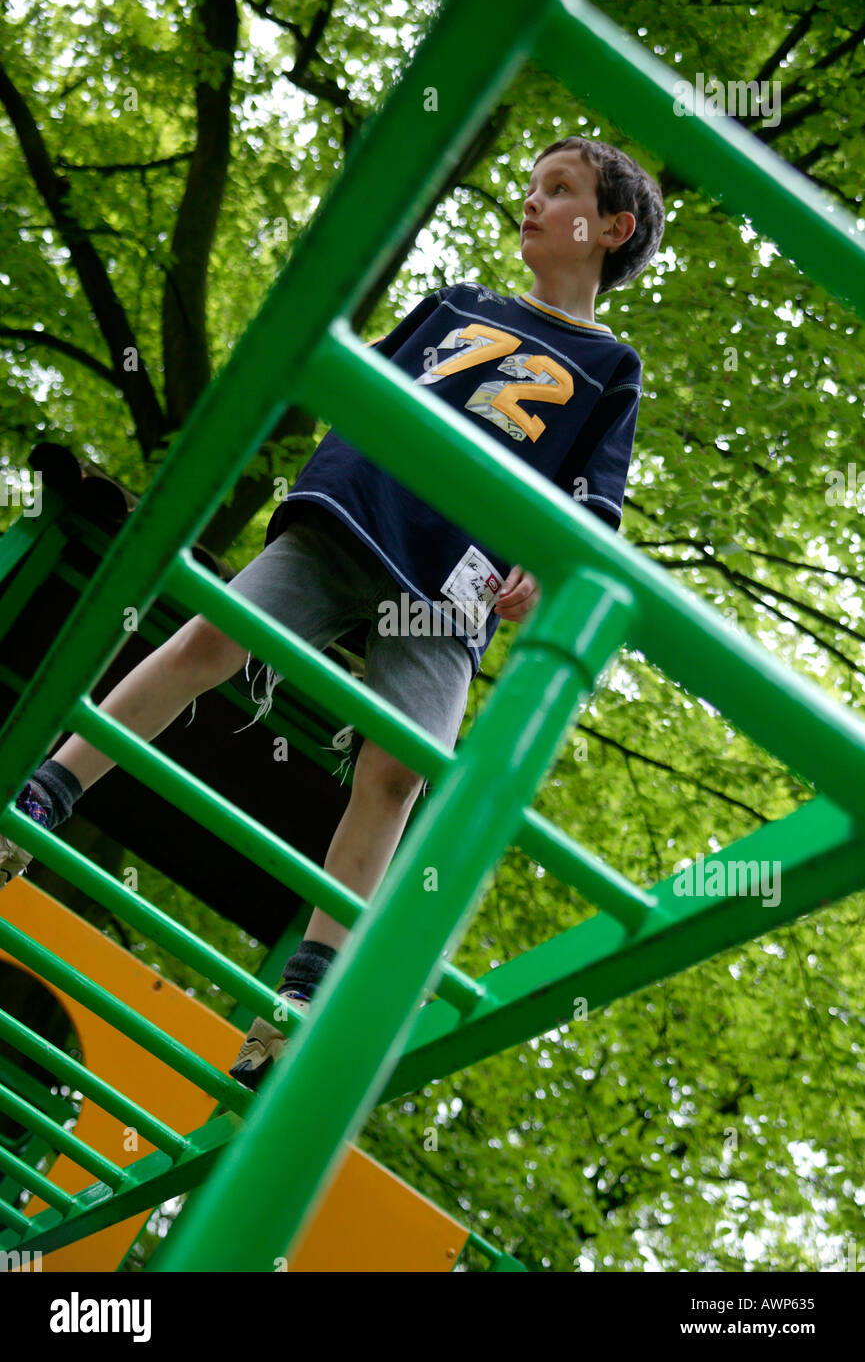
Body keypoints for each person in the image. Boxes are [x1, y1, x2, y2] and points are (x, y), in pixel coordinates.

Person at [0, 137, 664, 1089]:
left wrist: (541, 564)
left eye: (556, 190)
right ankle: (40, 801)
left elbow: (590, 510)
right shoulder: (457, 305)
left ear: (610, 228)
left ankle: (300, 994)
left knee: (398, 775)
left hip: (449, 583)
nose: (528, 200)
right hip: (353, 515)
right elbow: (357, 379)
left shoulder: (611, 368)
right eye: (527, 185)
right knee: (208, 640)